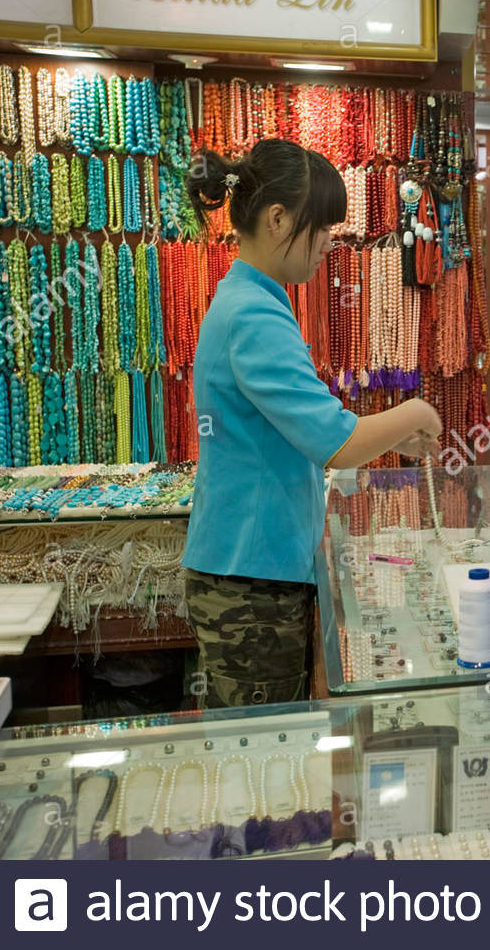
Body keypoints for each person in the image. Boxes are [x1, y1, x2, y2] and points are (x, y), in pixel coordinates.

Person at [181, 139, 442, 708]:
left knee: (264, 755)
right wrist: (415, 413)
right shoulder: (253, 313)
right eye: (321, 228)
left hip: (253, 568)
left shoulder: (253, 300)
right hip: (250, 581)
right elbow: (336, 442)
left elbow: (311, 430)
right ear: (278, 220)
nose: (329, 243)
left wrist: (394, 432)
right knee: (261, 759)